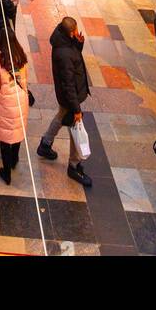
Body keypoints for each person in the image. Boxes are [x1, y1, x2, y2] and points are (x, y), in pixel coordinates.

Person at [36, 16, 92, 187]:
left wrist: (79, 43)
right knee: (75, 129)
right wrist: (76, 109)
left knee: (61, 115)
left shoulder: (63, 40)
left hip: (67, 95)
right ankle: (74, 166)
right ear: (69, 32)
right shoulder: (64, 54)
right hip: (70, 96)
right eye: (74, 30)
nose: (77, 32)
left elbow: (75, 55)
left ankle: (45, 143)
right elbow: (68, 84)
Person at [0, 28, 31, 184]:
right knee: (17, 130)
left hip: (6, 102)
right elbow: (25, 81)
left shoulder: (0, 61)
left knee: (6, 138)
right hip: (21, 99)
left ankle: (6, 173)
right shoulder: (21, 57)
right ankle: (14, 160)